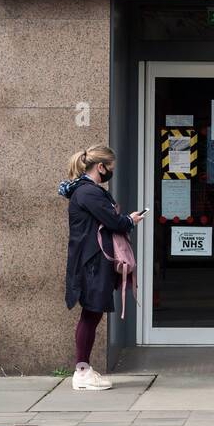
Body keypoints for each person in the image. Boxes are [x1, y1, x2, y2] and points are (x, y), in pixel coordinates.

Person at [58, 144, 143, 390]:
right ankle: (82, 371)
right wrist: (130, 220)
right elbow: (114, 222)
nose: (110, 172)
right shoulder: (88, 193)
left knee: (91, 314)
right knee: (91, 314)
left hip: (91, 261)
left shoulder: (84, 191)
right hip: (92, 263)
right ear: (100, 167)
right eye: (110, 168)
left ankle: (83, 369)